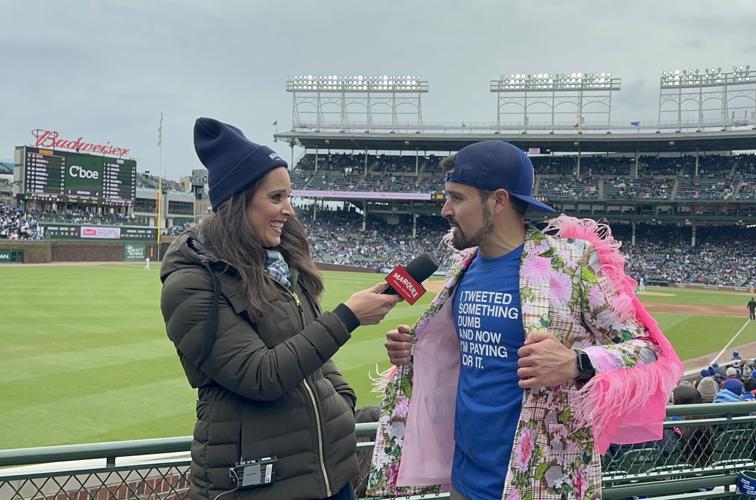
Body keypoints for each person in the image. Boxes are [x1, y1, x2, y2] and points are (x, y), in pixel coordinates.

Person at [367, 140, 683, 499]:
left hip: (539, 484)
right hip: (464, 480)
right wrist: (412, 351)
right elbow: (466, 356)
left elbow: (650, 350)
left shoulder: (573, 264)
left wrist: (577, 363)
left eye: (457, 198)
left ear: (498, 201)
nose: (446, 210)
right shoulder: (464, 268)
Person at [160, 118, 399, 500]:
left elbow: (312, 348)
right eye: (276, 198)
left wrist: (339, 400)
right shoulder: (192, 281)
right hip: (257, 484)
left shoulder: (282, 263)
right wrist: (348, 317)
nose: (289, 210)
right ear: (237, 201)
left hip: (331, 475)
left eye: (289, 196)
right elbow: (260, 376)